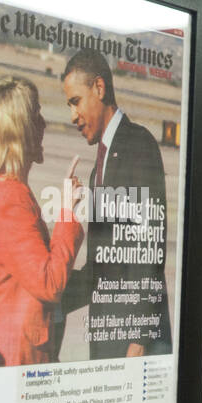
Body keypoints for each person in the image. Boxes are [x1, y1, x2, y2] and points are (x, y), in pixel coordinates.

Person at [60, 49, 172, 359]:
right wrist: (52, 300)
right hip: (109, 337)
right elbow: (102, 267)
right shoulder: (101, 164)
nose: (72, 116)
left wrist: (139, 337)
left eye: (75, 101)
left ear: (99, 88)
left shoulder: (139, 144)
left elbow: (150, 245)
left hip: (133, 344)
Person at [0, 76, 83, 368]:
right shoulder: (8, 201)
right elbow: (49, 283)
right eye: (36, 116)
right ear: (20, 131)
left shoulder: (6, 193)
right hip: (15, 368)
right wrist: (67, 213)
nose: (43, 125)